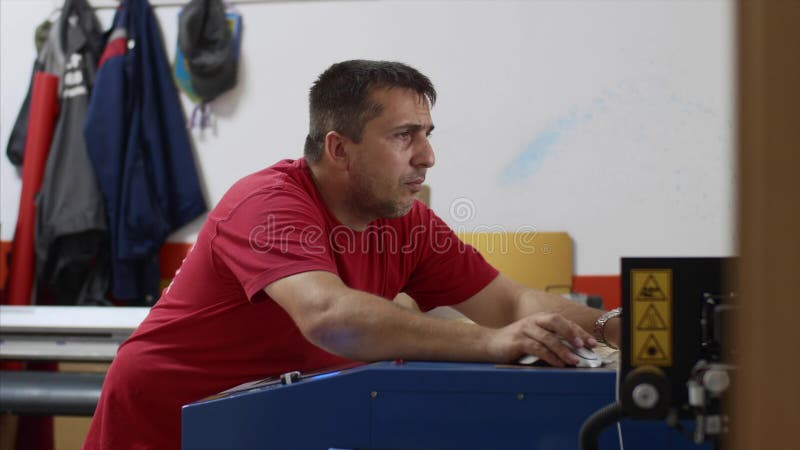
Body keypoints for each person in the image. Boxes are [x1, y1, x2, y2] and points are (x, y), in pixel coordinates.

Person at [83, 60, 620, 450]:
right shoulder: (267, 203)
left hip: (265, 423)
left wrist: (616, 332)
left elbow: (511, 303)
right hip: (165, 428)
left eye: (427, 134)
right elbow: (329, 317)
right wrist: (489, 343)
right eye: (404, 136)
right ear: (339, 148)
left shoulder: (404, 222)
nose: (428, 156)